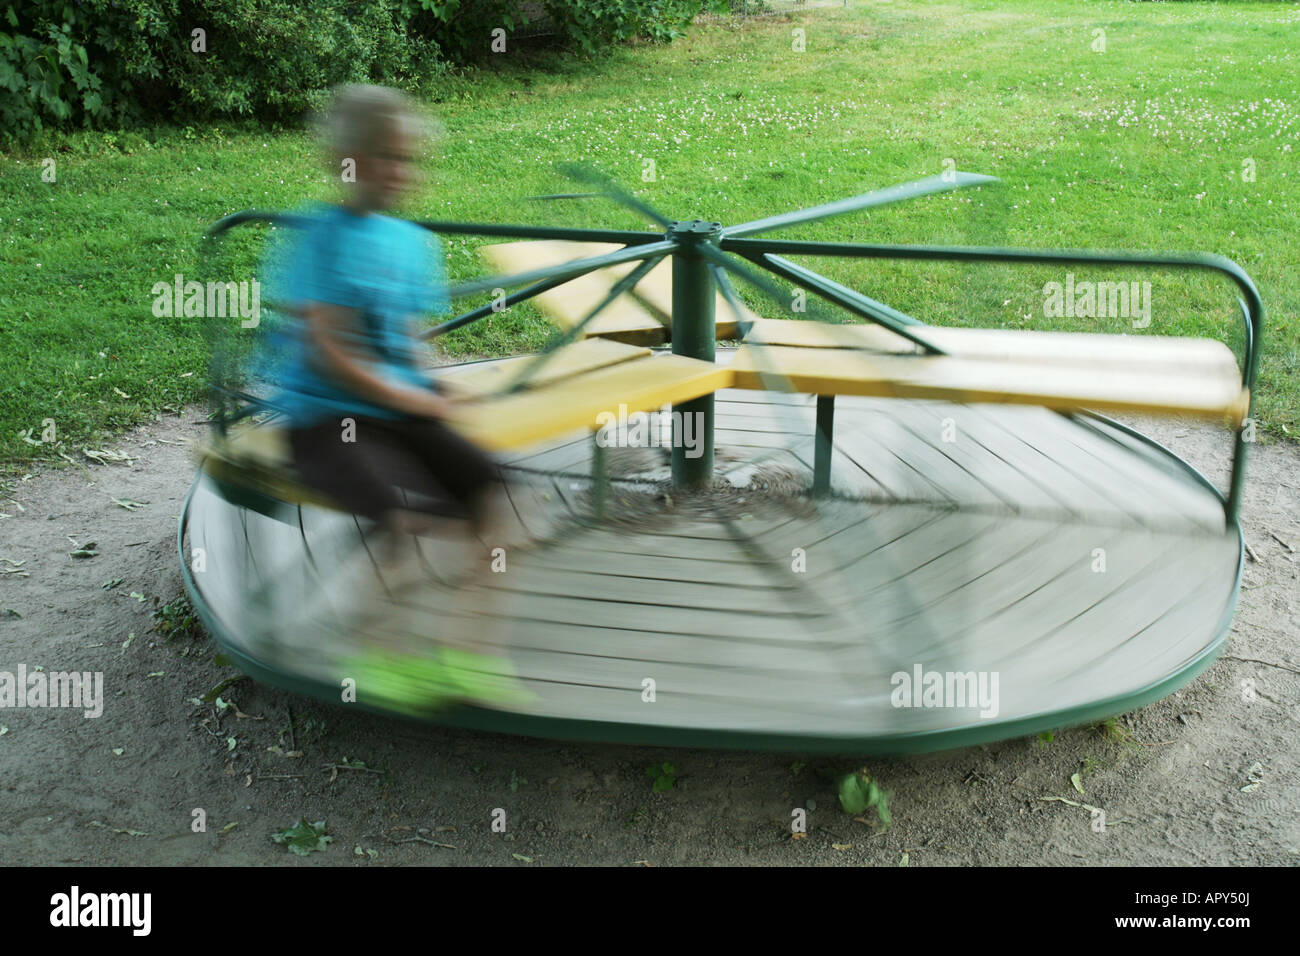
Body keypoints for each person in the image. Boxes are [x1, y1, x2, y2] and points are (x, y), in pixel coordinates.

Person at [256, 84, 529, 713]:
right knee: (400, 518)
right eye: (384, 157)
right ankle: (374, 657)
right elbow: (334, 353)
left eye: (407, 159)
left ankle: (468, 658)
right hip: (324, 419)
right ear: (343, 159)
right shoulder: (314, 238)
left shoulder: (412, 243)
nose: (398, 172)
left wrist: (433, 384)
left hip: (397, 411)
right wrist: (417, 401)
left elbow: (407, 343)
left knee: (499, 498)